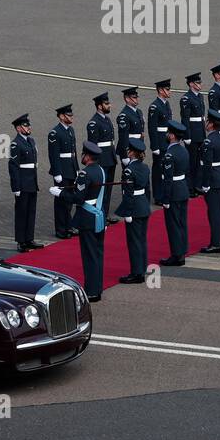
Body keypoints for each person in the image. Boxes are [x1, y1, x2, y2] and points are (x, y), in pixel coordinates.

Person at [51, 141, 106, 302]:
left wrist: (60, 194)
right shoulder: (101, 171)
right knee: (97, 254)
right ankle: (97, 288)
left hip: (88, 218)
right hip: (98, 215)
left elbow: (78, 198)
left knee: (89, 256)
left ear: (87, 156)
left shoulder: (84, 174)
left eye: (83, 155)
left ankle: (91, 291)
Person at [115, 139, 151, 285]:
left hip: (134, 209)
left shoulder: (129, 171)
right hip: (143, 206)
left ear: (131, 152)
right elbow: (147, 190)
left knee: (134, 242)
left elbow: (128, 194)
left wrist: (127, 212)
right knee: (142, 240)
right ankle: (142, 268)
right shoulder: (145, 167)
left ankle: (136, 273)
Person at [8, 115, 44, 252]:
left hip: (32, 182)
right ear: (18, 128)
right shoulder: (16, 144)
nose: (29, 127)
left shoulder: (31, 141)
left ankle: (29, 238)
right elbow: (13, 167)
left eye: (29, 125)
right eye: (25, 125)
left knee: (31, 211)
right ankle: (21, 241)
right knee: (22, 212)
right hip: (22, 183)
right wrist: (15, 186)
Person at [160, 120, 191, 266]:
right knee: (182, 223)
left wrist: (165, 199)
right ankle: (182, 251)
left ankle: (176, 254)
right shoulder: (183, 150)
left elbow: (167, 179)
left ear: (172, 136)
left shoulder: (169, 154)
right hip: (182, 189)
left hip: (173, 192)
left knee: (173, 225)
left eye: (168, 133)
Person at [199, 112, 220, 253]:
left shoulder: (208, 141)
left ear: (211, 124)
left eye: (207, 121)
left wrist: (205, 184)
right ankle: (217, 241)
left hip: (212, 180)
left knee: (214, 214)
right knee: (219, 212)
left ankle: (216, 244)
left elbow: (207, 165)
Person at [47, 104, 79, 239]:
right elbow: (53, 155)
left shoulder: (70, 130)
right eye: (68, 115)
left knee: (69, 200)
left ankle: (68, 225)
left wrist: (77, 169)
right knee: (61, 202)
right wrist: (57, 172)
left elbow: (74, 152)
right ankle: (61, 230)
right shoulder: (55, 133)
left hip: (70, 169)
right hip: (62, 171)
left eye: (71, 115)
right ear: (61, 116)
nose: (71, 118)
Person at [86, 92, 119, 222]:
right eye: (106, 104)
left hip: (110, 158)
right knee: (101, 191)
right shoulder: (94, 123)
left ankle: (104, 214)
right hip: (102, 160)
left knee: (108, 189)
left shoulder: (106, 119)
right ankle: (100, 215)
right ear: (99, 106)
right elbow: (93, 146)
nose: (109, 105)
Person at [147, 79, 173, 206]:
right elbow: (152, 128)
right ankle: (158, 196)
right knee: (158, 170)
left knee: (166, 169)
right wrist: (154, 146)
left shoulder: (166, 104)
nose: (170, 91)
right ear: (161, 90)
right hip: (160, 142)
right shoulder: (154, 106)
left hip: (167, 141)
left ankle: (165, 193)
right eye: (167, 89)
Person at [180, 73, 206, 193]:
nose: (200, 84)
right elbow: (185, 118)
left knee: (199, 161)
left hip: (200, 132)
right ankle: (190, 187)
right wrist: (186, 135)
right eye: (197, 83)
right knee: (191, 162)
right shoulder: (186, 98)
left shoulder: (200, 96)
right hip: (192, 134)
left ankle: (197, 184)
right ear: (191, 84)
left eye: (200, 82)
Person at [116, 86, 145, 156]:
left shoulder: (139, 112)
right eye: (134, 97)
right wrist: (125, 155)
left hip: (138, 146)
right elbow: (123, 137)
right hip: (130, 149)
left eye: (137, 97)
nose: (137, 99)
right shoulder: (124, 115)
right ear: (127, 99)